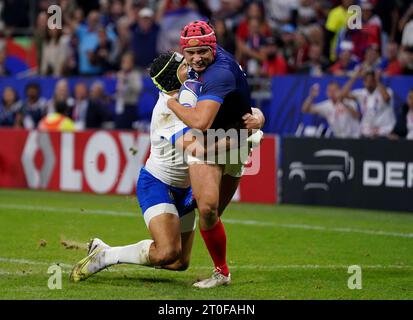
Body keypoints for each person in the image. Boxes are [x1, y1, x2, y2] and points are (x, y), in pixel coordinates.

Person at [69, 51, 265, 282]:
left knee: (179, 263)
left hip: (184, 188)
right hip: (158, 184)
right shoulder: (167, 112)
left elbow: (244, 110)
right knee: (167, 252)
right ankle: (106, 255)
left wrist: (258, 119)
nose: (191, 62)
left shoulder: (197, 91)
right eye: (184, 63)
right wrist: (241, 137)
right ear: (176, 76)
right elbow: (200, 151)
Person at [166, 21, 257, 288]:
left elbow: (200, 121)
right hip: (210, 141)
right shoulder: (197, 66)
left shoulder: (219, 73)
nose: (196, 58)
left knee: (212, 213)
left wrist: (171, 101)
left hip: (234, 140)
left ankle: (185, 213)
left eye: (202, 51)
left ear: (213, 47)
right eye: (190, 53)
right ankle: (222, 273)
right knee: (207, 208)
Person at [341, 68, 395, 138]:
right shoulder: (361, 93)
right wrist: (354, 78)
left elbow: (386, 98)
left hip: (384, 131)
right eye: (366, 80)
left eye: (371, 80)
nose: (368, 83)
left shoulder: (387, 91)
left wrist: (378, 81)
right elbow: (342, 95)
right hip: (367, 132)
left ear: (375, 81)